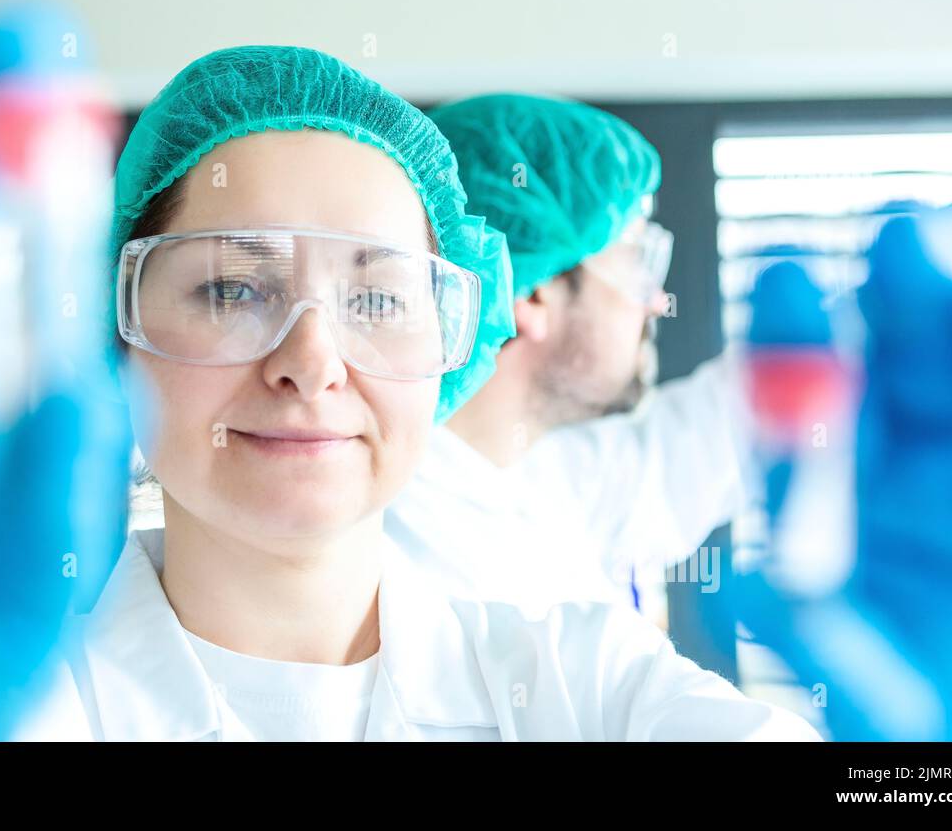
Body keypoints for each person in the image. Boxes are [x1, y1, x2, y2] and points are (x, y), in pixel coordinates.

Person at [53, 46, 819, 741]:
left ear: (454, 343)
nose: (312, 362)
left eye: (378, 299)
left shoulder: (588, 682)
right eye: (231, 290)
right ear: (117, 329)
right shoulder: (4, 702)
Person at [387, 94, 755, 623]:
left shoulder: (532, 469)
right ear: (533, 294)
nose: (654, 301)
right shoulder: (413, 549)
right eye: (636, 260)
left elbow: (691, 453)